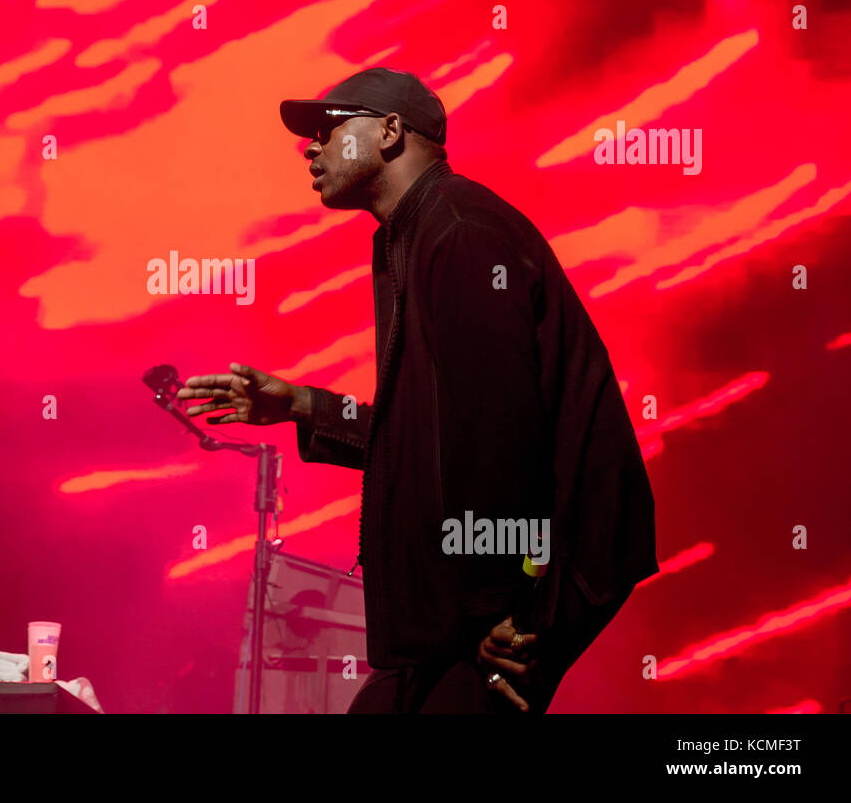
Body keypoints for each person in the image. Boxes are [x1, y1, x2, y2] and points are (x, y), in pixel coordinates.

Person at [177, 68, 657, 713]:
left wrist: (496, 609)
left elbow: (499, 432)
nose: (310, 148)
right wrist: (300, 405)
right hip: (485, 582)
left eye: (329, 129)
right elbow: (423, 433)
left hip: (532, 577)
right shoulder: (415, 233)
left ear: (392, 131)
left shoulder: (459, 232)